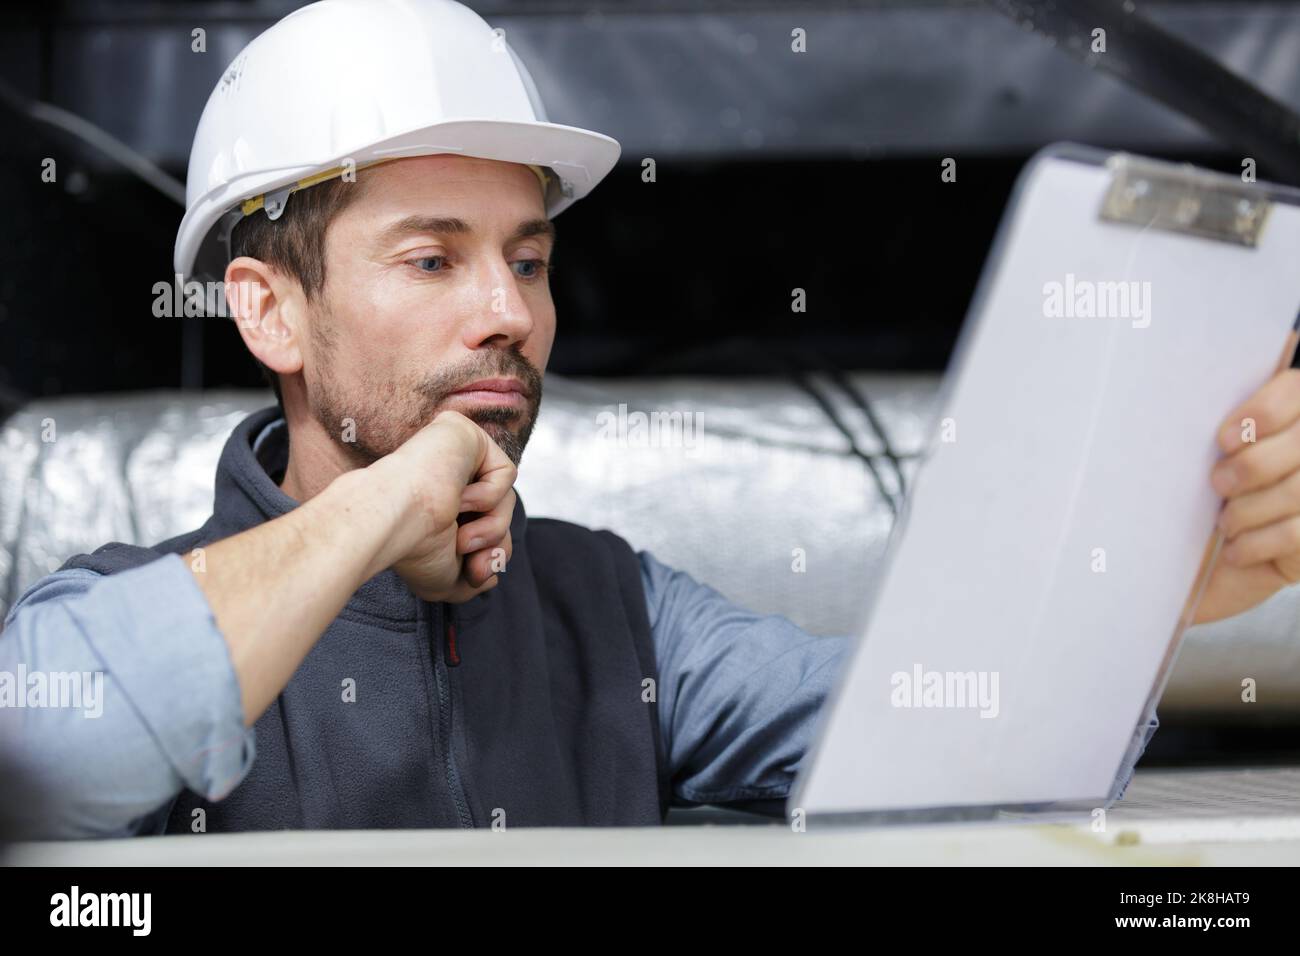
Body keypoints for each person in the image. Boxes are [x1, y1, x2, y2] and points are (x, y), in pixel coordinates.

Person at [1, 0, 1293, 838]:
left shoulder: (612, 614)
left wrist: (1166, 570)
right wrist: (379, 509)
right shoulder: (108, 612)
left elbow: (938, 733)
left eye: (529, 258)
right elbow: (46, 762)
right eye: (434, 259)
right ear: (270, 311)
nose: (508, 310)